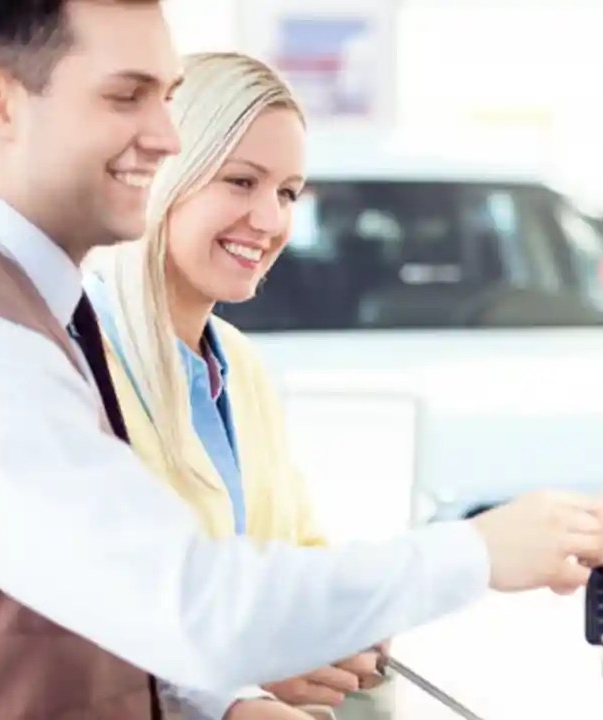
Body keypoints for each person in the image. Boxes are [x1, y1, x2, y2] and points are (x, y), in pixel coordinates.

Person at [0, 2, 603, 718]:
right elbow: (193, 609)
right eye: (125, 96)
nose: (165, 137)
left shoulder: (46, 315)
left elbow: (124, 601)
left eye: (167, 101)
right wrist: (479, 551)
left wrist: (265, 668)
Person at [79, 52, 389, 720]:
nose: (270, 221)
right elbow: (70, 618)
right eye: (242, 182)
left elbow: (291, 556)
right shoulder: (72, 357)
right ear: (166, 177)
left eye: (286, 193)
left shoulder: (239, 366)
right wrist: (248, 678)